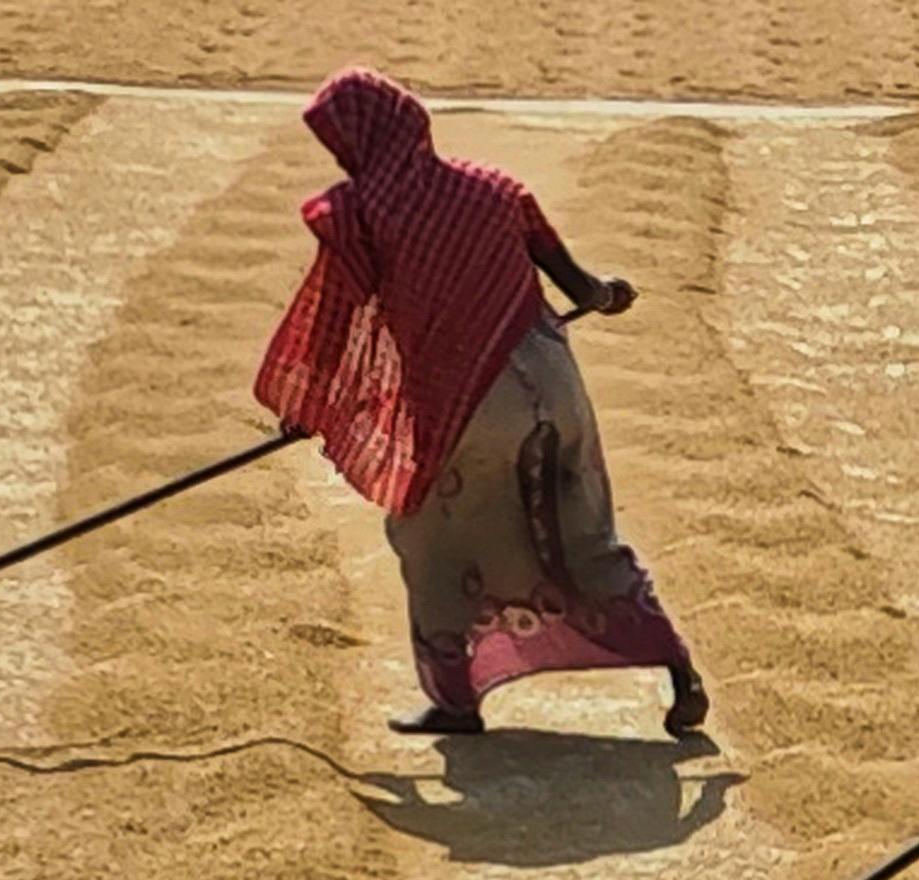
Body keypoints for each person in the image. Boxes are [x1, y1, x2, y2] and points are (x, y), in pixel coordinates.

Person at [254, 70, 707, 741]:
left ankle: (456, 701)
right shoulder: (498, 189)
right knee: (583, 532)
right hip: (555, 393)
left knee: (428, 541)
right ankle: (680, 674)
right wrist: (611, 294)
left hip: (468, 411)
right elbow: (580, 283)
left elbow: (331, 321)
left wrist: (307, 406)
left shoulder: (358, 213)